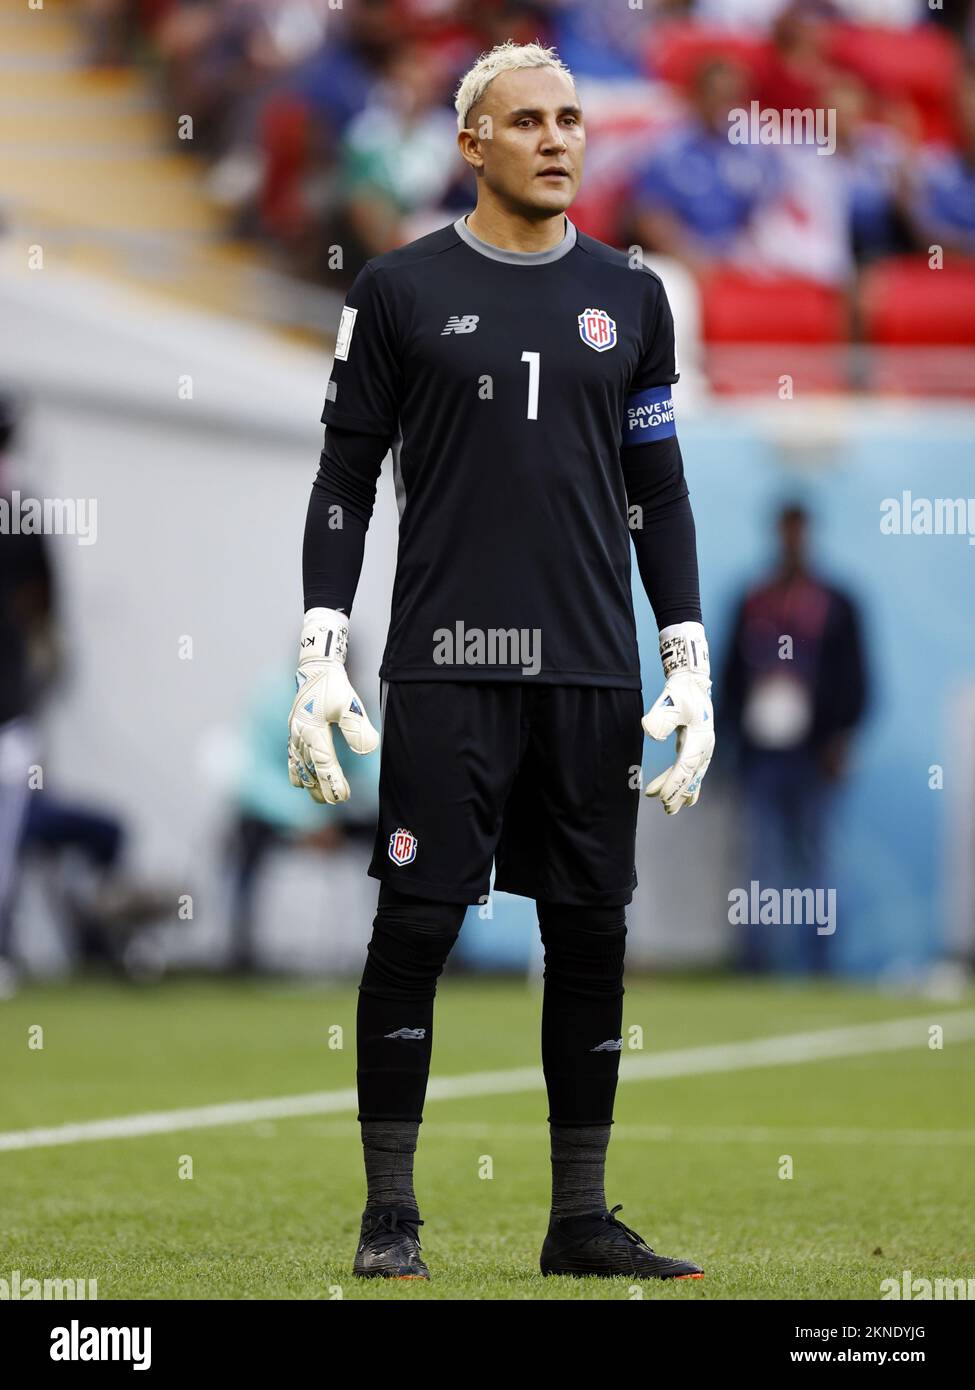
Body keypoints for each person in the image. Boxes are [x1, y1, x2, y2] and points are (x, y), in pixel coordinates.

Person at [289, 41, 713, 1282]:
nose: (556, 138)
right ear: (471, 144)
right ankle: (391, 1216)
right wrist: (322, 640)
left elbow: (662, 489)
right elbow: (343, 478)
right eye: (526, 120)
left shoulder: (634, 296)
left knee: (591, 936)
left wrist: (682, 649)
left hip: (590, 670)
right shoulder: (398, 290)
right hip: (448, 663)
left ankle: (578, 1220)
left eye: (572, 118)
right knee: (415, 923)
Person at [721, 503, 869, 974]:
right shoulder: (753, 600)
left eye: (798, 533)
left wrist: (841, 737)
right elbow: (730, 677)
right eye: (785, 533)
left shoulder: (836, 603)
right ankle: (756, 962)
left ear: (809, 536)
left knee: (817, 863)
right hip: (762, 755)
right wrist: (724, 743)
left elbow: (856, 677)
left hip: (814, 754)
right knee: (760, 863)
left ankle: (821, 963)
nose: (791, 542)